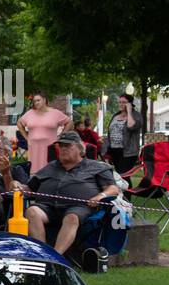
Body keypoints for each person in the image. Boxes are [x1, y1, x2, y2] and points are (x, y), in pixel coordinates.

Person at [27, 130, 126, 258]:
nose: (63, 149)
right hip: (48, 207)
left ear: (80, 149)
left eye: (67, 146)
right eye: (61, 146)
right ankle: (42, 254)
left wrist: (100, 196)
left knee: (72, 217)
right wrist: (13, 181)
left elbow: (113, 188)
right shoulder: (51, 167)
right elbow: (28, 188)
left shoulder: (96, 167)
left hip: (79, 208)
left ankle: (55, 257)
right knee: (32, 212)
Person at [16, 93, 72, 175]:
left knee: (50, 170)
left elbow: (69, 122)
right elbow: (19, 123)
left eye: (38, 100)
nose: (36, 103)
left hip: (50, 146)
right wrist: (26, 137)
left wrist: (61, 135)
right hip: (34, 146)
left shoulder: (55, 113)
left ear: (44, 100)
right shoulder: (30, 113)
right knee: (34, 172)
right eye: (34, 101)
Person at [104, 93, 142, 178]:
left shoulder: (136, 115)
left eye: (124, 102)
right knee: (119, 176)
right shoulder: (115, 115)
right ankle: (124, 191)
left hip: (128, 152)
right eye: (120, 102)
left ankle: (127, 191)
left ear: (130, 104)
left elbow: (131, 126)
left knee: (124, 176)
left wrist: (129, 111)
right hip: (114, 150)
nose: (121, 104)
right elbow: (110, 132)